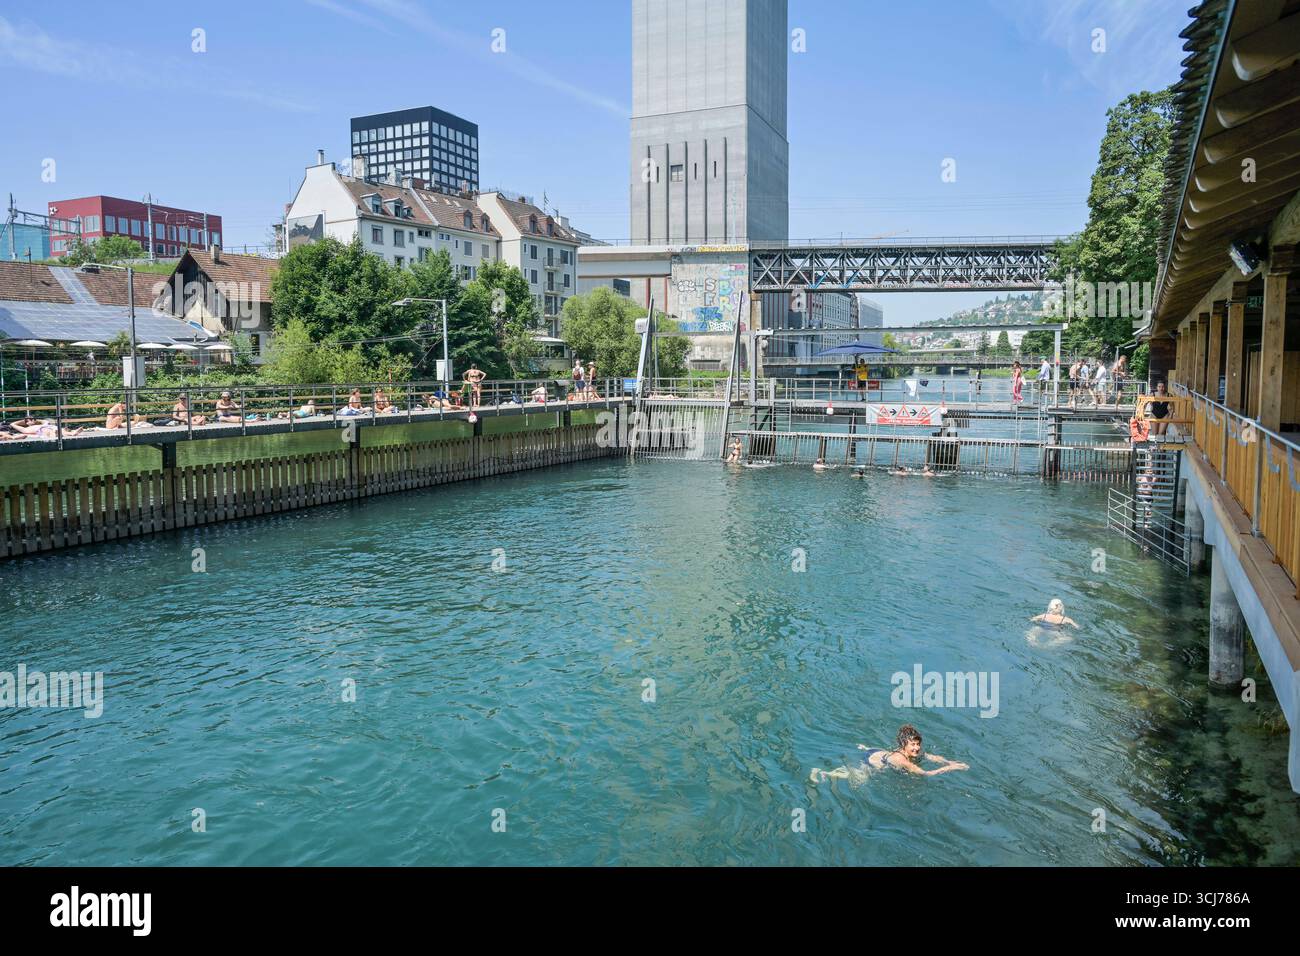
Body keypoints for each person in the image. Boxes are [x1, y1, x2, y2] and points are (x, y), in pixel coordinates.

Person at [810, 724, 969, 782]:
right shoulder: (903, 761)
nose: (917, 748)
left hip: (876, 751)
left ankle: (864, 748)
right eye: (912, 745)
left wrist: (948, 761)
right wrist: (950, 768)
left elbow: (930, 756)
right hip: (873, 762)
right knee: (860, 779)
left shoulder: (912, 752)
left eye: (918, 744)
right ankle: (824, 772)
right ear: (904, 745)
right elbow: (926, 774)